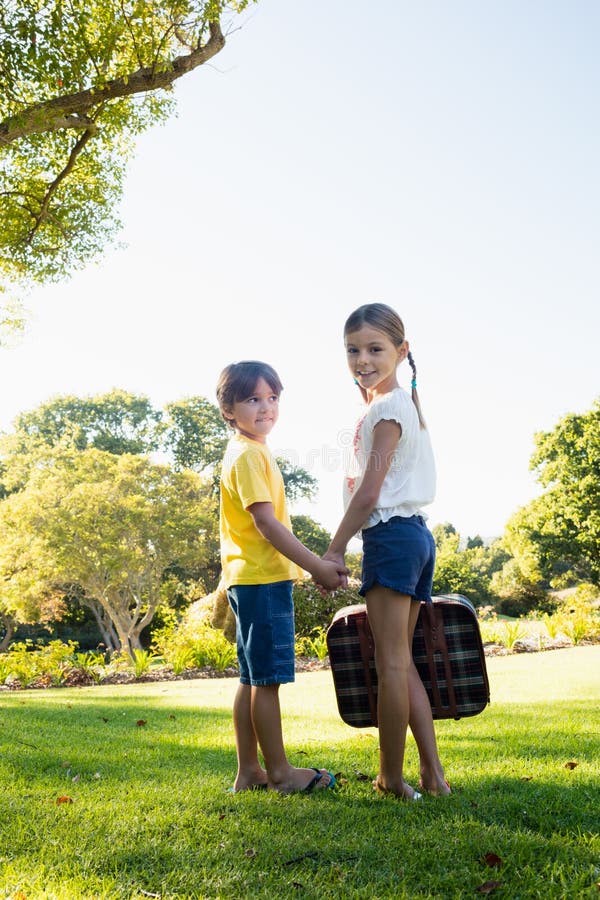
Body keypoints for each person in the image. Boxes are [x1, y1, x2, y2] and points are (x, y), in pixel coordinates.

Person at [324, 303, 450, 801]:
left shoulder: (388, 408)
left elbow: (370, 492)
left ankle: (391, 778)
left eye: (375, 349)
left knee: (393, 661)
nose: (362, 359)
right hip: (415, 536)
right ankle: (432, 776)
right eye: (353, 350)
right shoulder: (397, 405)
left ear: (402, 351)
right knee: (403, 660)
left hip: (393, 536)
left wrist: (334, 549)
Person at [216, 360, 345, 794]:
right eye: (253, 398)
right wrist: (317, 567)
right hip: (263, 579)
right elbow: (267, 525)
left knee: (251, 678)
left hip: (246, 578)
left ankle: (248, 771)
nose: (266, 407)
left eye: (273, 397)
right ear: (229, 408)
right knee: (266, 680)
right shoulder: (250, 454)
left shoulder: (247, 449)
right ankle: (282, 774)